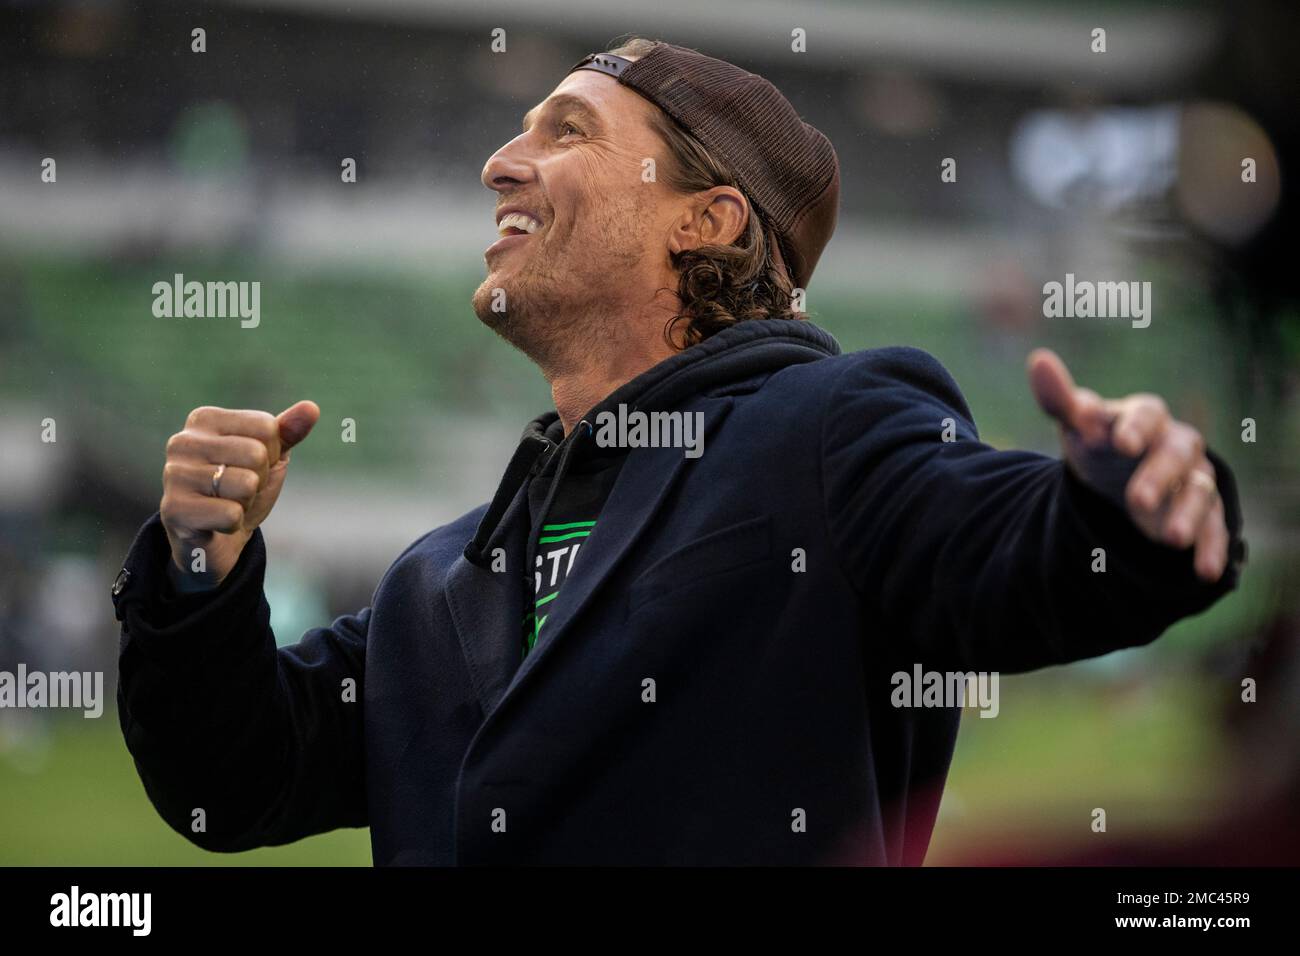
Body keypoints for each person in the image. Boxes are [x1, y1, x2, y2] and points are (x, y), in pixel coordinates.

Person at [112, 39, 1246, 865]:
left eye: (566, 131)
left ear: (704, 219)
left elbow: (1008, 543)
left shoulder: (827, 429)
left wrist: (1127, 503)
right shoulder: (435, 577)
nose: (500, 164)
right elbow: (230, 783)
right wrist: (198, 569)